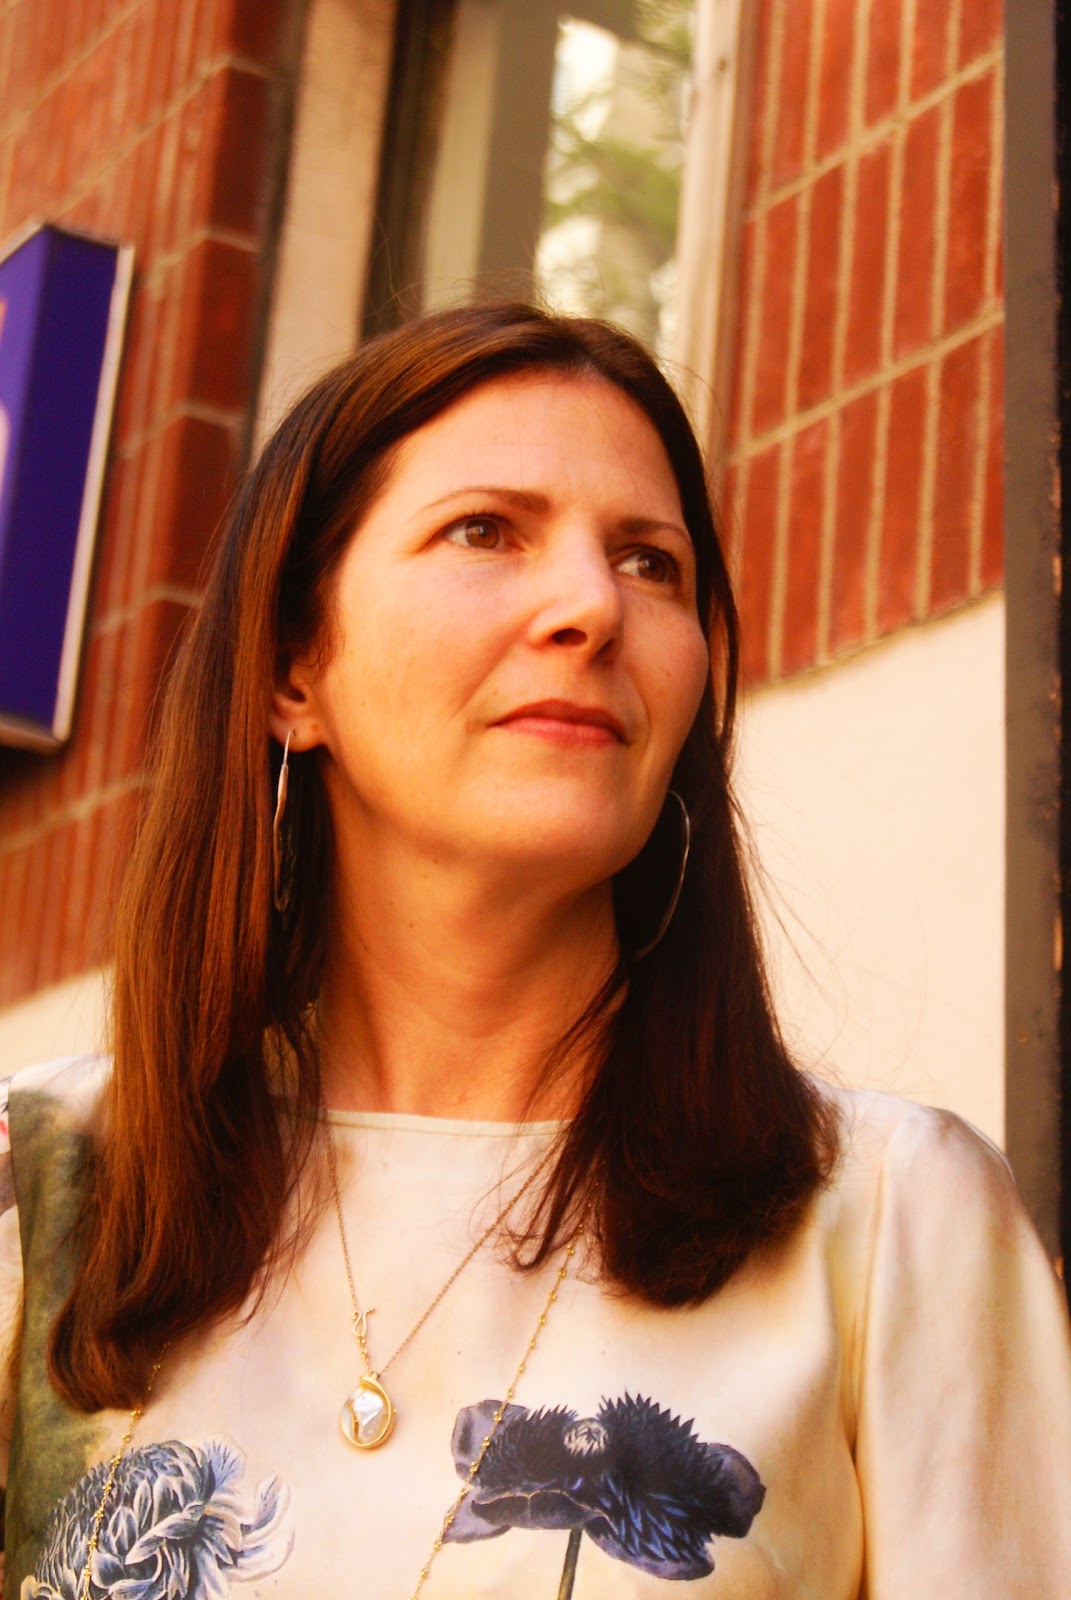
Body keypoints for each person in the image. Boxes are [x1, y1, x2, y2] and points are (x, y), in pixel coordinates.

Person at [0, 302, 1069, 1600]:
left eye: (650, 562)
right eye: (485, 531)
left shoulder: (889, 1221)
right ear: (293, 669)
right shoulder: (41, 1193)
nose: (590, 606)